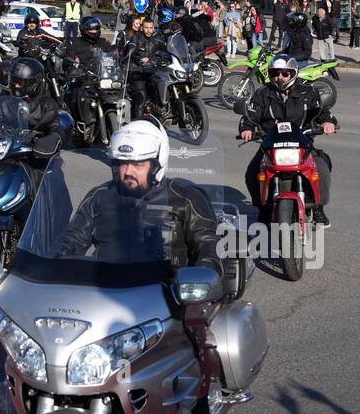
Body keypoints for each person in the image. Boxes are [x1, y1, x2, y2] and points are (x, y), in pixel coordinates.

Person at [51, 120, 221, 271]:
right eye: (123, 163)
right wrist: (50, 263)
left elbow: (208, 245)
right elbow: (72, 238)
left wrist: (203, 274)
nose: (128, 172)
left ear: (157, 164)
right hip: (105, 290)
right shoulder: (100, 196)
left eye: (138, 164)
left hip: (163, 293)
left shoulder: (185, 198)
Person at [239, 55, 337, 226]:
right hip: (271, 144)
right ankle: (263, 208)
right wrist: (247, 128)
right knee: (253, 172)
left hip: (302, 143)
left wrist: (328, 122)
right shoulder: (263, 93)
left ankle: (318, 208)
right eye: (275, 73)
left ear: (293, 73)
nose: (280, 77)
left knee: (321, 167)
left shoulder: (308, 92)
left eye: (285, 73)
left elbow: (321, 111)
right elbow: (251, 114)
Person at [123, 17, 166, 116]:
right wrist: (138, 58)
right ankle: (138, 122)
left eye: (151, 28)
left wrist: (184, 53)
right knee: (141, 96)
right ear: (142, 27)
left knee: (161, 84)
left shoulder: (157, 39)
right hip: (136, 71)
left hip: (150, 70)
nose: (148, 30)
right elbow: (132, 51)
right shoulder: (136, 38)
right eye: (146, 27)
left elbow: (168, 48)